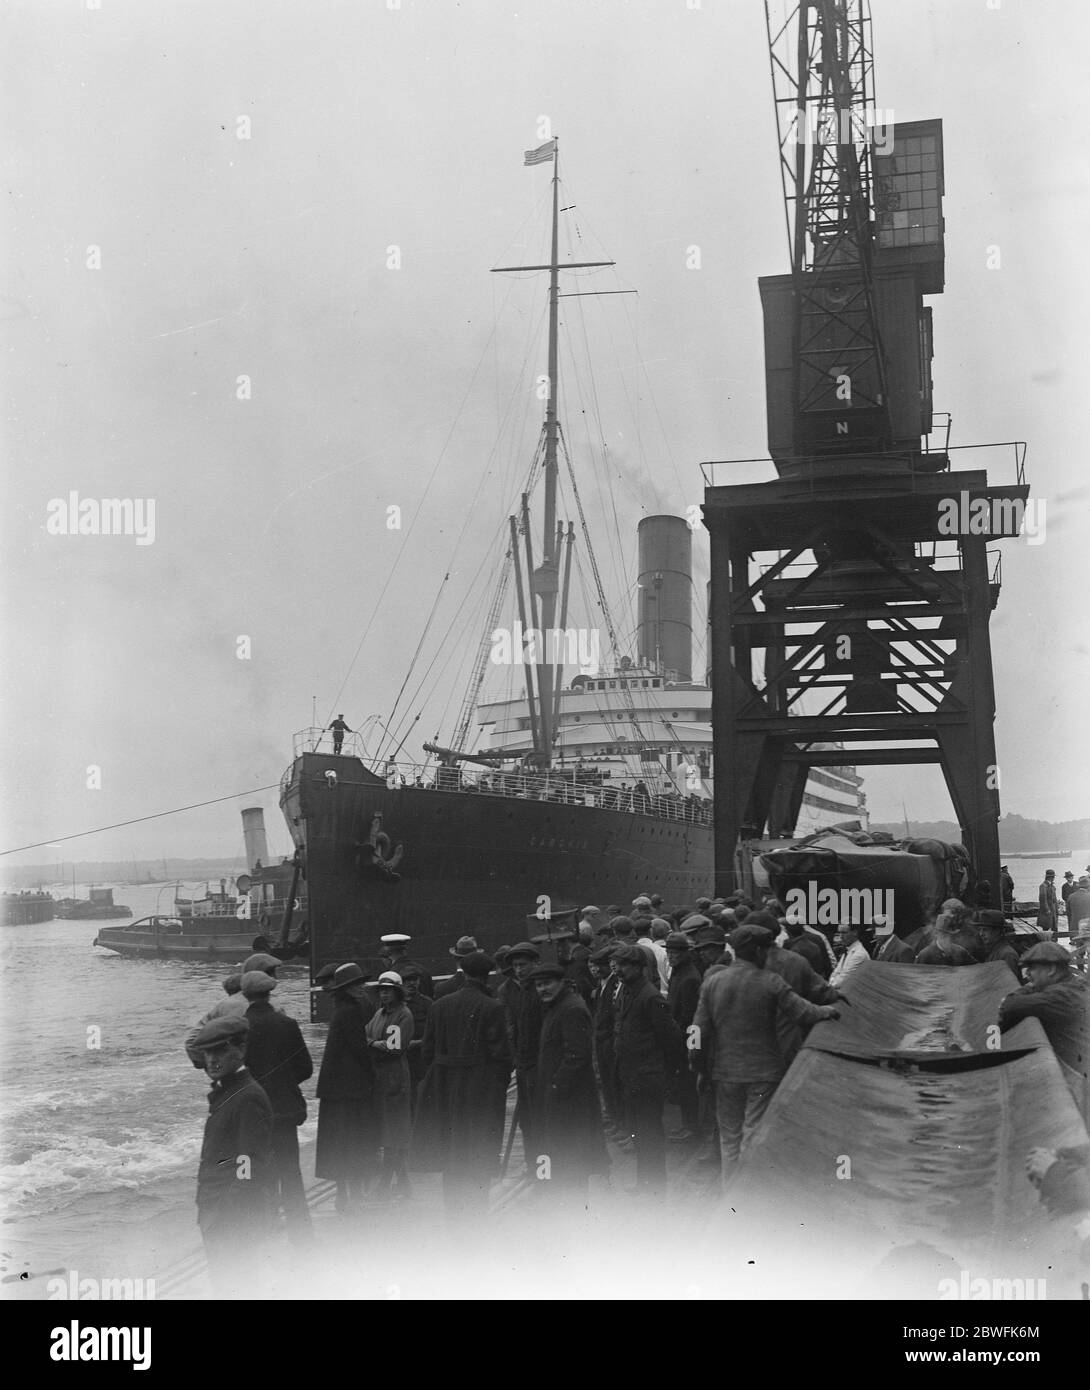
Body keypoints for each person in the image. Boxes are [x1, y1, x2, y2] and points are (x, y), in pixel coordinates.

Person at [691, 924, 840, 1182]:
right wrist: (830, 1010)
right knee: (752, 1133)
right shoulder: (770, 982)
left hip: (726, 1073)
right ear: (759, 950)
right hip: (763, 1073)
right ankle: (749, 1194)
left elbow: (696, 1033)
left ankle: (730, 1195)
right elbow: (804, 1011)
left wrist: (699, 1067)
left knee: (729, 1139)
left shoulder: (713, 982)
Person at [411, 952, 513, 1219]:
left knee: (450, 1147)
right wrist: (496, 1087)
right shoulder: (493, 1007)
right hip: (480, 1088)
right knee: (479, 1146)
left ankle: (452, 1213)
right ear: (486, 975)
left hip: (443, 1084)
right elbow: (502, 1055)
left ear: (464, 973)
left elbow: (427, 1052)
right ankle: (477, 1211)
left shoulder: (439, 1005)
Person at [191, 1014, 274, 1296]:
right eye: (207, 1052)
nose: (212, 1060)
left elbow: (249, 1163)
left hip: (233, 1217)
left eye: (220, 1050)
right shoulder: (232, 1092)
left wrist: (225, 1211)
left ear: (240, 1050)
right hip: (221, 1214)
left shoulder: (246, 1096)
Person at [238, 970, 314, 1242]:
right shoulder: (287, 1024)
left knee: (253, 1169)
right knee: (290, 1171)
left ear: (245, 995)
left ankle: (261, 1229)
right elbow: (305, 1068)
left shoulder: (239, 1028)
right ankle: (301, 1232)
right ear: (270, 992)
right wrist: (283, 1082)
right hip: (283, 1110)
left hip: (252, 1113)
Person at [529, 962, 608, 1198]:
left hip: (571, 1098)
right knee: (565, 1152)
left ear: (561, 982)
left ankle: (572, 1206)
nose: (543, 989)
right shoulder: (558, 1006)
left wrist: (556, 1085)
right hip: (563, 1096)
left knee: (573, 1155)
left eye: (547, 983)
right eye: (539, 985)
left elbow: (578, 1054)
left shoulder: (571, 1008)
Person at [612, 943, 684, 1193]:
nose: (618, 970)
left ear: (639, 968)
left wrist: (664, 1071)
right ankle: (644, 1181)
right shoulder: (628, 991)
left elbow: (671, 1037)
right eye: (617, 964)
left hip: (646, 1076)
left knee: (650, 1132)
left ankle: (654, 1184)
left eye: (624, 965)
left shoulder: (650, 996)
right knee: (640, 1132)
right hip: (632, 1075)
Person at [998, 941, 1090, 1122]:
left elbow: (1010, 1006)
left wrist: (1031, 988)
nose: (1028, 974)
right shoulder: (1076, 985)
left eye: (1032, 968)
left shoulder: (1058, 997)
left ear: (1051, 970)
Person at [315, 963, 378, 1211]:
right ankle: (349, 1196)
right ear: (347, 988)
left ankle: (344, 1194)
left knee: (339, 1142)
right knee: (353, 1141)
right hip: (350, 1088)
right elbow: (358, 1049)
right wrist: (373, 1070)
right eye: (357, 985)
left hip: (335, 1088)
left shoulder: (342, 1009)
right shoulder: (350, 1011)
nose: (362, 988)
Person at [365, 971, 414, 1199]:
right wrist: (373, 1041)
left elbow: (394, 1047)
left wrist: (372, 1042)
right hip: (381, 1078)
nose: (383, 994)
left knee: (394, 1133)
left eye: (388, 990)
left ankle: (387, 1184)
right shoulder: (379, 1014)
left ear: (397, 992)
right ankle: (402, 1183)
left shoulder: (403, 1015)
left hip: (395, 1079)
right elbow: (365, 1032)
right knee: (389, 1133)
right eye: (381, 990)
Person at [504, 941, 543, 1165]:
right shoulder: (514, 991)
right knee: (528, 1120)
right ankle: (533, 1166)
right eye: (516, 966)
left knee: (541, 1118)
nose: (519, 970)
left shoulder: (540, 990)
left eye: (523, 965)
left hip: (540, 1064)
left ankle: (542, 1168)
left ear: (535, 963)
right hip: (524, 1064)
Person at [665, 933, 701, 1140]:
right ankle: (688, 1124)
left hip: (686, 1039)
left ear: (684, 953)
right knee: (683, 1083)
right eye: (669, 952)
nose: (671, 956)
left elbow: (689, 1015)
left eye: (675, 952)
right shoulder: (679, 973)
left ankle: (691, 1126)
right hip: (679, 1037)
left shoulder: (689, 978)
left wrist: (685, 1044)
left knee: (688, 1084)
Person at [590, 944, 623, 1135]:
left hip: (610, 1042)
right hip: (602, 1042)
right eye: (592, 966)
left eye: (598, 966)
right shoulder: (601, 985)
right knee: (608, 1084)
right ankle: (615, 1119)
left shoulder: (613, 985)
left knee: (614, 1083)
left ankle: (621, 1123)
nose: (594, 970)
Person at [184, 973, 249, 1065]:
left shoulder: (225, 1004)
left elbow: (192, 1042)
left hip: (202, 1050)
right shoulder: (238, 1003)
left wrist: (213, 1066)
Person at [400, 964, 432, 1109]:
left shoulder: (428, 1004)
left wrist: (417, 1043)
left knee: (420, 1101)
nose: (411, 983)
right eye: (407, 980)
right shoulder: (395, 1005)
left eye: (415, 979)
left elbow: (434, 1033)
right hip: (401, 1061)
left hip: (420, 1061)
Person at [975, 910, 1021, 976]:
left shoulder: (1007, 955)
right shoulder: (992, 950)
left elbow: (1009, 983)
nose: (981, 934)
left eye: (985, 930)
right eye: (980, 930)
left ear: (997, 931)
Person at [1038, 870, 1059, 938]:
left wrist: (1057, 907)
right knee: (1046, 926)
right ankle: (1046, 941)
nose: (1053, 878)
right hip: (1047, 909)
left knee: (1054, 926)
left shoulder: (1052, 886)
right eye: (1052, 877)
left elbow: (1054, 898)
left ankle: (1055, 941)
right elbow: (1043, 899)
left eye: (1053, 876)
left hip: (1053, 908)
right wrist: (1047, 909)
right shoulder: (1043, 886)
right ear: (1048, 877)